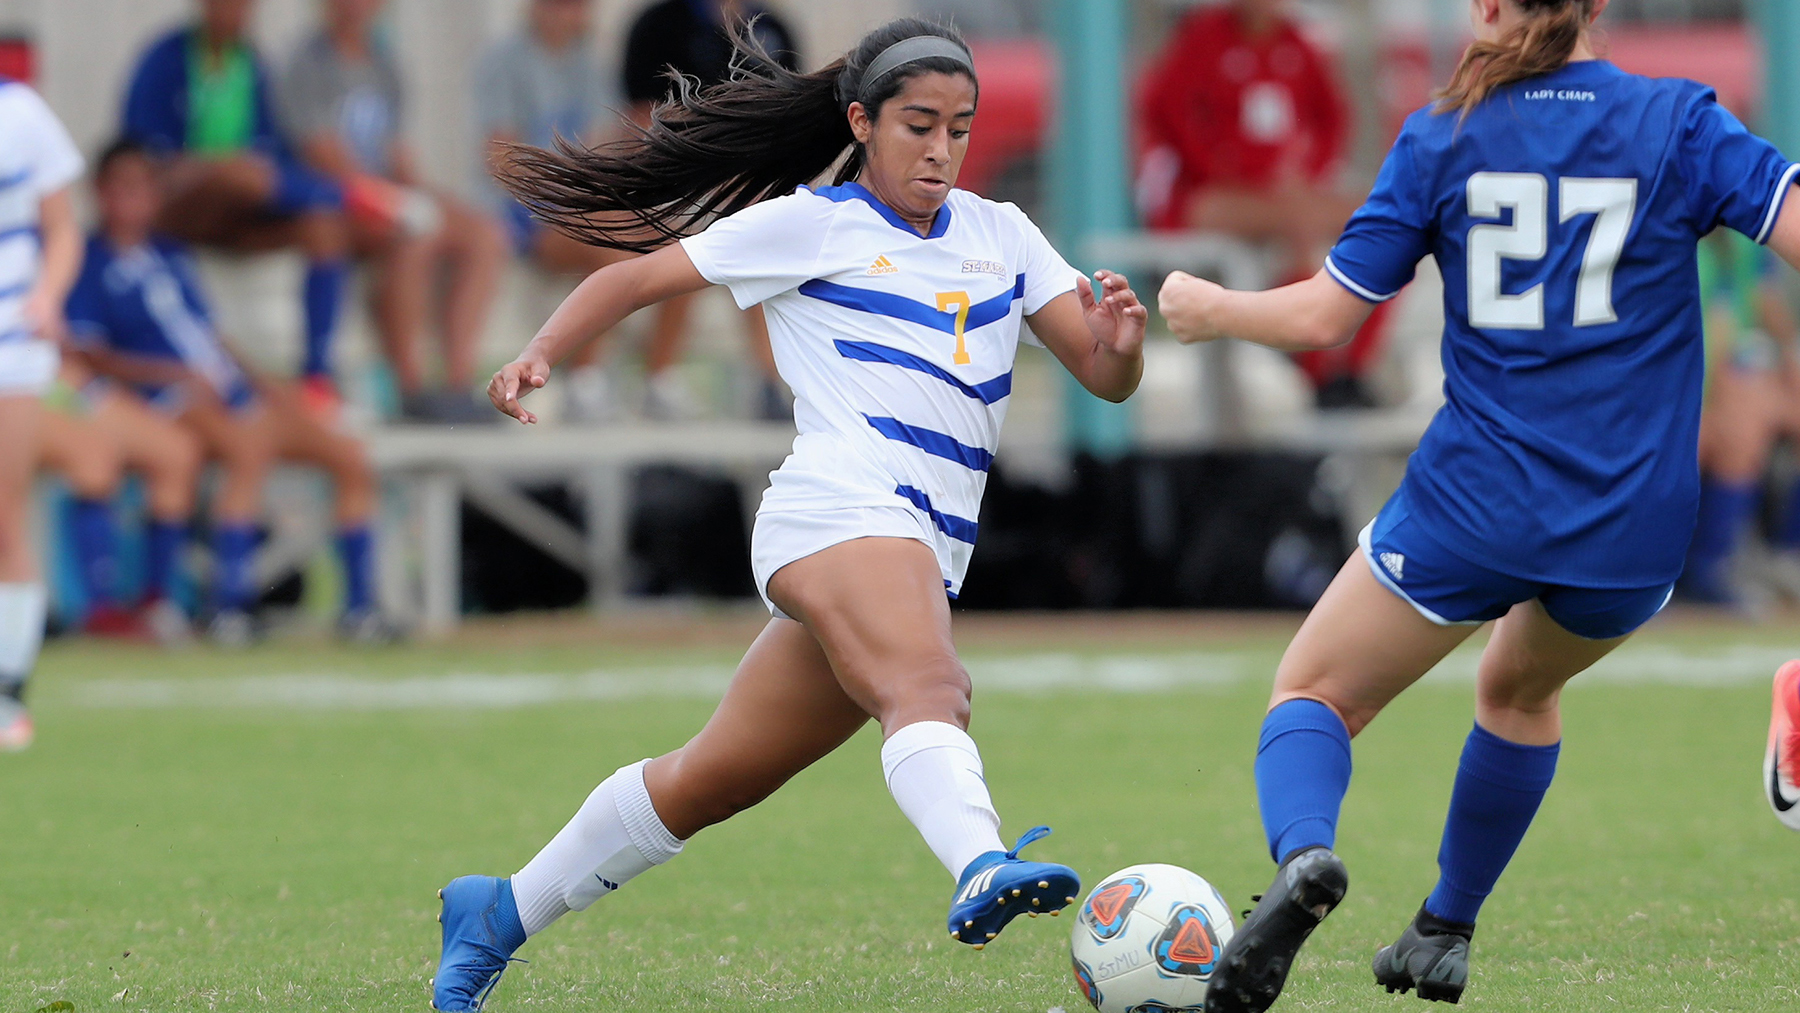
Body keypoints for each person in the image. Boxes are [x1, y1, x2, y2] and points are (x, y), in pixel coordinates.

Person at [430, 20, 1147, 1011]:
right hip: (839, 509)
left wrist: (1123, 342)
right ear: (861, 121)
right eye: (918, 125)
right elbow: (634, 275)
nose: (941, 149)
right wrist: (539, 351)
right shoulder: (813, 223)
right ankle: (981, 858)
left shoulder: (1005, 236)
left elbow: (1106, 379)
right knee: (931, 680)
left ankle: (496, 911)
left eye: (960, 129)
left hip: (915, 545)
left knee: (707, 780)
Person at [1157, 0, 1800, 1008]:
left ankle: (1306, 857)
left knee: (1315, 693)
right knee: (1519, 691)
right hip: (1632, 528)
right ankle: (1445, 925)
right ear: (1595, 6)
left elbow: (1329, 313)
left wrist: (1208, 308)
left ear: (1488, 10)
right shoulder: (1678, 120)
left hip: (1477, 503)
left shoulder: (1446, 130)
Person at [67, 140, 386, 646]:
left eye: (145, 187)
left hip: (228, 392)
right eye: (122, 187)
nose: (135, 199)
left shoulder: (170, 253)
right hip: (169, 401)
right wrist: (172, 377)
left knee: (349, 456)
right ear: (99, 193)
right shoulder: (87, 259)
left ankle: (362, 608)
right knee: (247, 449)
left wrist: (268, 385)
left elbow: (209, 335)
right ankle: (228, 607)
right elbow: (90, 353)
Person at [1136, 0, 1385, 408]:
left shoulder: (1297, 43)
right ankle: (1317, 366)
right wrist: (1227, 168)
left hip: (1283, 195)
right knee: (1296, 221)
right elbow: (1168, 111)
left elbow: (1332, 118)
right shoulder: (1204, 38)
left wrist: (1309, 169)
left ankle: (1348, 363)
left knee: (1384, 222)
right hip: (1213, 195)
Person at [122, 0, 351, 414]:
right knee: (242, 173)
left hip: (237, 210)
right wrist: (215, 167)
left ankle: (316, 373)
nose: (236, 11)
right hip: (178, 206)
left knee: (324, 227)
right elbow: (142, 156)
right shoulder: (165, 58)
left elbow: (273, 149)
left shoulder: (253, 62)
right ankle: (346, 194)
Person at [283, 0, 506, 422]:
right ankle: (411, 386)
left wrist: (421, 194)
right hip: (339, 200)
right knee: (416, 232)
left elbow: (394, 150)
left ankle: (459, 382)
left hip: (384, 193)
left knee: (484, 234)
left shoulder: (385, 65)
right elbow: (320, 153)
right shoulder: (305, 63)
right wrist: (395, 201)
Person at [621, 0, 800, 420]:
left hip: (749, 182)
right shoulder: (658, 24)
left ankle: (769, 379)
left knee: (761, 223)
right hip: (673, 177)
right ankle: (661, 377)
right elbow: (640, 122)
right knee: (713, 229)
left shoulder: (774, 27)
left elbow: (793, 119)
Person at [473, 0, 634, 422]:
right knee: (611, 242)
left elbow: (607, 148)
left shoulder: (590, 64)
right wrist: (575, 193)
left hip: (575, 207)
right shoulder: (504, 62)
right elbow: (503, 158)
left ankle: (651, 377)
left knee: (651, 237)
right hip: (524, 211)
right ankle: (584, 379)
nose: (565, 14)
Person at [0, 74, 82, 751]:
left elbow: (61, 227)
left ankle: (8, 692)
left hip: (11, 348)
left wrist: (47, 296)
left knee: (5, 511)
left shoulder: (21, 111)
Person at [1676, 229, 1800, 606]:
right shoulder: (1675, 245)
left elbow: (1735, 314)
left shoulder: (1729, 247)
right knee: (1714, 438)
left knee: (1746, 427)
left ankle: (1772, 554)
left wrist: (1788, 360)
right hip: (1660, 396)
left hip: (1720, 374)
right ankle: (1666, 573)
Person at [37, 360, 202, 643]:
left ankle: (155, 603)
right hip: (20, 385)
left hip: (59, 379)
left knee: (177, 452)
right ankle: (99, 611)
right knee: (94, 455)